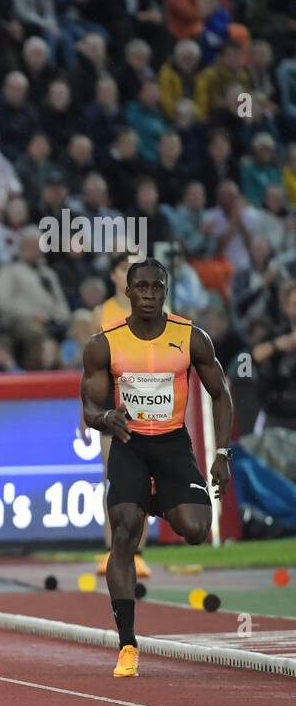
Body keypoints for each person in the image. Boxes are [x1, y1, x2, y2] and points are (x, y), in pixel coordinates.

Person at [80, 258, 233, 678]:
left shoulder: (190, 338)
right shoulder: (104, 344)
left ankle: (154, 498)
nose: (148, 294)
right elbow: (89, 404)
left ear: (166, 292)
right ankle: (127, 644)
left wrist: (221, 453)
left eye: (156, 288)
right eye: (141, 287)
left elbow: (221, 393)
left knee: (196, 530)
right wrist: (103, 417)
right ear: (127, 293)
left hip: (171, 445)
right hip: (129, 444)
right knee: (125, 534)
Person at [95, 255, 154, 579]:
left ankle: (138, 553)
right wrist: (84, 410)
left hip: (144, 400)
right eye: (123, 270)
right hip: (109, 401)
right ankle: (111, 551)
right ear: (114, 274)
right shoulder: (99, 314)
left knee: (143, 480)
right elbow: (90, 367)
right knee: (114, 479)